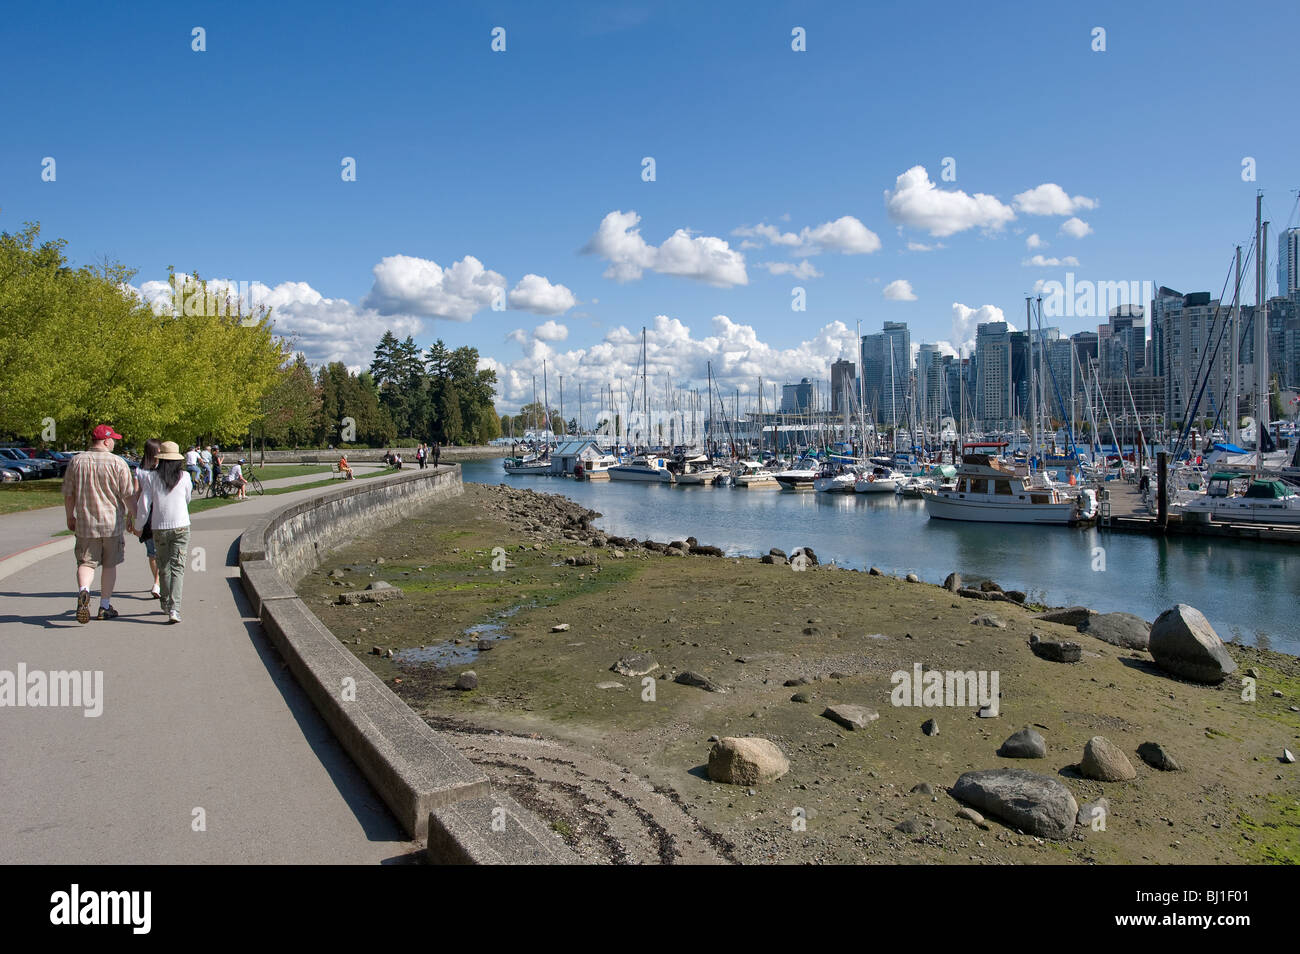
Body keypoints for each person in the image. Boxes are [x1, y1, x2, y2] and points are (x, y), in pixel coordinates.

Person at [62, 424, 136, 623]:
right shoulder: (118, 463)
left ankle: (84, 591)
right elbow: (128, 495)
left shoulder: (76, 461)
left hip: (86, 523)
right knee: (110, 565)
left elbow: (69, 494)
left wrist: (70, 516)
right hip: (112, 523)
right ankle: (104, 606)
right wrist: (134, 516)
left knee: (86, 562)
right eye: (113, 440)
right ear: (105, 440)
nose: (114, 443)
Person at [133, 441, 192, 624]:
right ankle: (175, 608)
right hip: (181, 526)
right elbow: (187, 498)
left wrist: (139, 525)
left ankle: (166, 602)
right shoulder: (185, 477)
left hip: (159, 527)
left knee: (164, 566)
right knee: (178, 568)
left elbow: (144, 505)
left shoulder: (152, 478)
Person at [131, 438, 163, 600]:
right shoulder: (160, 471)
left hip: (145, 515)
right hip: (160, 513)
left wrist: (134, 517)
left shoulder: (139, 471)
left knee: (152, 552)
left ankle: (157, 581)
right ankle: (158, 583)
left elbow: (136, 494)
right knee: (161, 550)